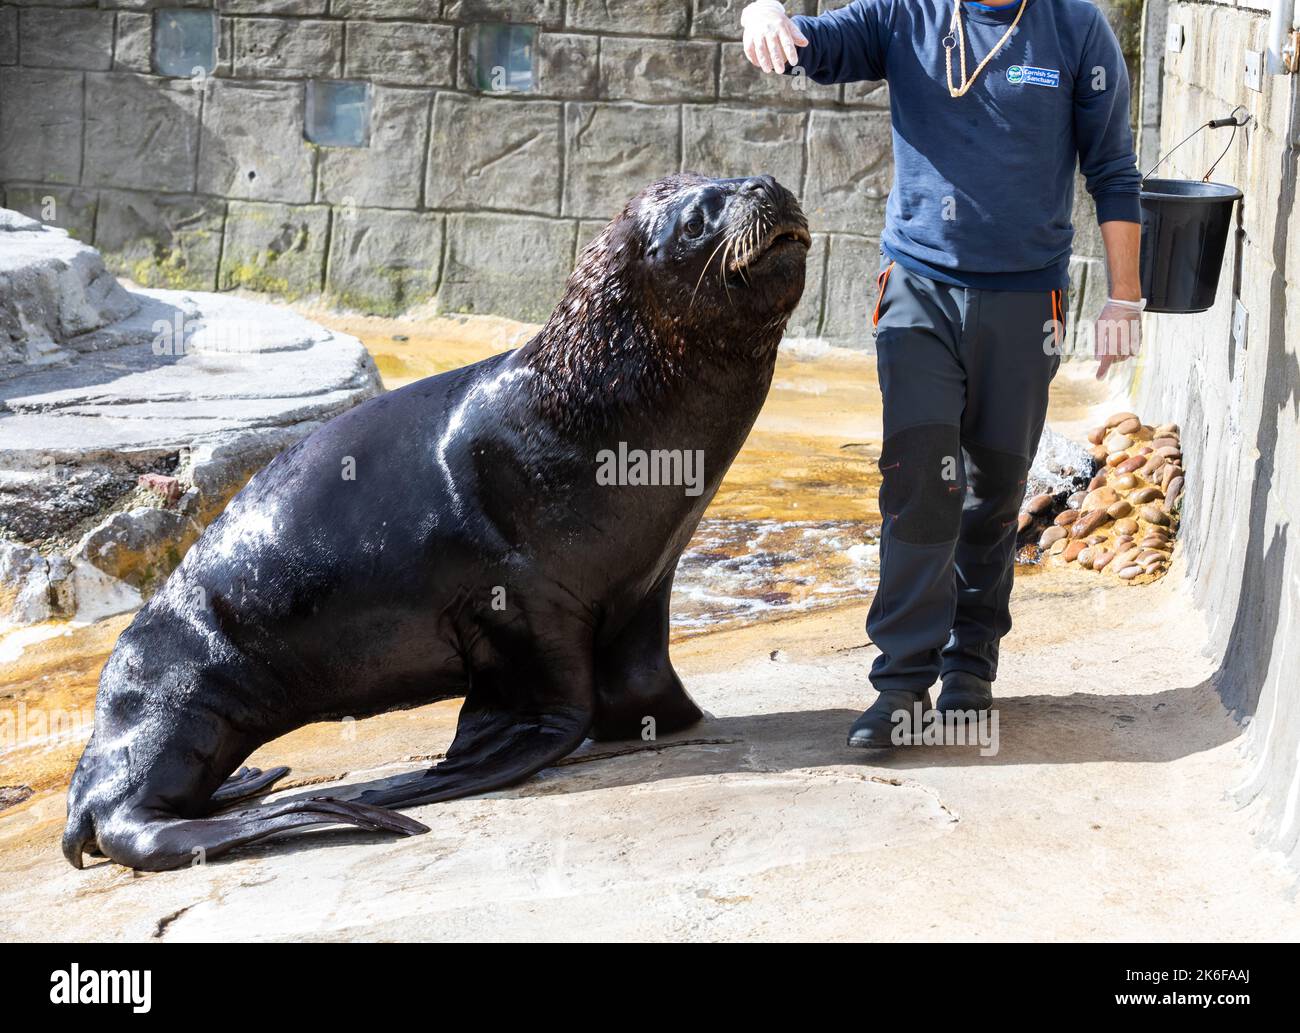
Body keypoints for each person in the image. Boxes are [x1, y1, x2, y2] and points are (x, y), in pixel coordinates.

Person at [740, 0, 1145, 746]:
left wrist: (1124, 296)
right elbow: (812, 45)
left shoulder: (1076, 29)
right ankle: (899, 685)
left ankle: (970, 662)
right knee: (921, 482)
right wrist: (765, 13)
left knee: (992, 491)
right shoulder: (907, 14)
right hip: (919, 288)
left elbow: (1114, 171)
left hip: (1028, 298)